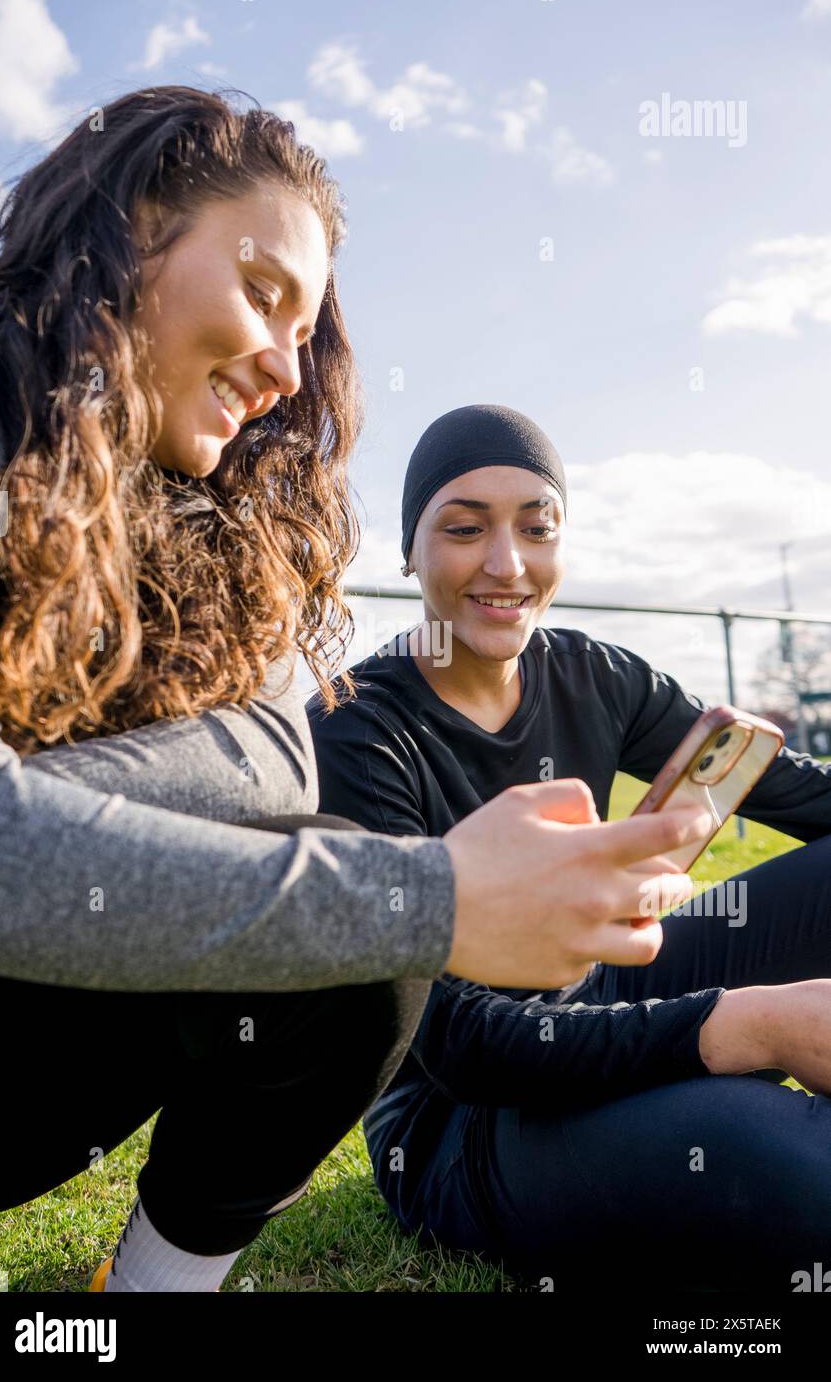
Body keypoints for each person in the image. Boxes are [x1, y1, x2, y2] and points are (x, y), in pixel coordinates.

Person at [0, 88, 707, 1294]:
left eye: (307, 329)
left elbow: (271, 763)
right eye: (263, 294)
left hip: (16, 1076)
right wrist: (437, 890)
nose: (283, 364)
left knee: (358, 938)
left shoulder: (226, 540)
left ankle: (148, 1292)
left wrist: (27, 787)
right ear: (125, 227)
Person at [306, 403, 831, 1294]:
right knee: (780, 1164)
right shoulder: (358, 732)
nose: (506, 565)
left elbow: (802, 797)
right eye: (464, 529)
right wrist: (756, 1025)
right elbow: (458, 1041)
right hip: (465, 1108)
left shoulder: (596, 674)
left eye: (536, 529)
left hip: (600, 991)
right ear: (410, 551)